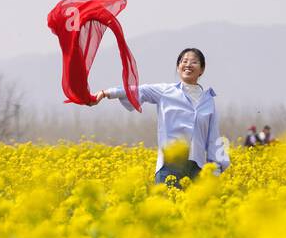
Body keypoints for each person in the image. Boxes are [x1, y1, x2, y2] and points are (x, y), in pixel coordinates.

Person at [91, 47, 229, 186]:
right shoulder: (166, 91)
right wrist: (106, 93)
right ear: (178, 67)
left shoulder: (208, 100)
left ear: (202, 70)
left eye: (194, 62)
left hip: (197, 169)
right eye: (184, 61)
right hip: (169, 167)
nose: (188, 65)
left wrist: (215, 169)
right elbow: (139, 90)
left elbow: (214, 137)